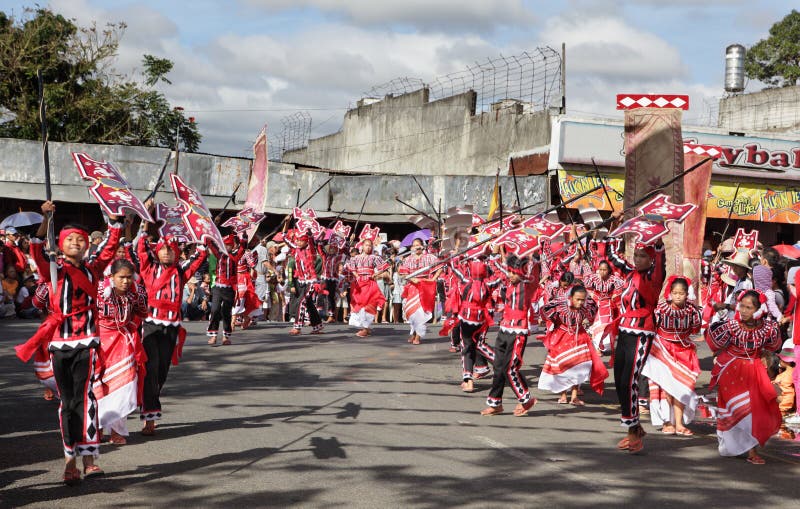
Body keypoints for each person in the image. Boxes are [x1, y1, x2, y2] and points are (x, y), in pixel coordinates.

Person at [15, 200, 122, 485]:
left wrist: (114, 220)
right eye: (70, 239)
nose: (75, 242)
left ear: (87, 245)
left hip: (86, 343)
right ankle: (69, 461)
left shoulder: (94, 268)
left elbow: (111, 245)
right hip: (59, 345)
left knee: (85, 398)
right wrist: (47, 219)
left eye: (80, 239)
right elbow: (36, 246)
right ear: (61, 244)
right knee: (67, 403)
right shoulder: (52, 268)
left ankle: (90, 460)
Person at [137, 210, 207, 435]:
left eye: (171, 249)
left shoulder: (181, 271)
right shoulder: (149, 268)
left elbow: (199, 257)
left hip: (172, 327)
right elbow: (141, 246)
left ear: (177, 253)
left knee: (162, 372)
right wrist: (146, 222)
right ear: (157, 252)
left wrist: (204, 231)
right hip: (150, 325)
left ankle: (150, 406)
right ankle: (150, 416)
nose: (167, 252)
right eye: (163, 249)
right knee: (151, 368)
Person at [707, 290, 782, 464]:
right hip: (732, 371)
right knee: (736, 410)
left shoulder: (768, 328)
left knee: (754, 410)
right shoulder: (730, 326)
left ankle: (751, 450)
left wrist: (763, 354)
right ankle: (739, 447)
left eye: (749, 307)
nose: (744, 310)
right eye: (742, 306)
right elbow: (713, 342)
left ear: (758, 309)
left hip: (754, 371)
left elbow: (774, 345)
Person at [606, 239, 665, 453]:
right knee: (619, 381)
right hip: (623, 330)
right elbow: (611, 258)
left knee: (629, 381)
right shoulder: (630, 273)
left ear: (650, 260)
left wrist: (658, 245)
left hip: (642, 332)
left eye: (642, 256)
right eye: (636, 255)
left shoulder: (653, 277)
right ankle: (635, 427)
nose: (637, 259)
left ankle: (633, 433)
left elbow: (660, 266)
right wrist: (614, 228)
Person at [94, 259, 148, 445]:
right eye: (121, 278)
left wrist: (138, 297)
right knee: (99, 385)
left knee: (124, 385)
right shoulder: (99, 291)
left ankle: (117, 431)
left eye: (129, 278)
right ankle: (97, 427)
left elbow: (143, 313)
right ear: (111, 276)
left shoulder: (136, 291)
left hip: (123, 342)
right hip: (99, 341)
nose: (125, 281)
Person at [642, 276, 703, 436]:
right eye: (675, 293)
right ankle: (667, 422)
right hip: (662, 349)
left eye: (681, 293)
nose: (677, 296)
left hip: (683, 350)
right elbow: (653, 326)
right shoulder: (661, 309)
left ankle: (679, 423)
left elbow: (695, 329)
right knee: (666, 387)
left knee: (682, 386)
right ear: (670, 293)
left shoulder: (693, 311)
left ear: (686, 294)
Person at [480, 255, 537, 417]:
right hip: (504, 329)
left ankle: (526, 399)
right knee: (498, 367)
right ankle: (495, 403)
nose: (510, 275)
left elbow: (535, 271)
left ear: (522, 272)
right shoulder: (507, 282)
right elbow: (495, 266)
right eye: (510, 272)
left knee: (510, 368)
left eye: (514, 273)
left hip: (518, 333)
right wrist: (496, 250)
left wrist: (535, 256)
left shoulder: (528, 286)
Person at [539, 285, 606, 406]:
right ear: (570, 297)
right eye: (577, 299)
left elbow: (592, 317)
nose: (580, 302)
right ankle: (563, 395)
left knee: (578, 368)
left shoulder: (587, 306)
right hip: (561, 338)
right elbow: (545, 313)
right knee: (562, 367)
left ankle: (574, 396)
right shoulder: (558, 305)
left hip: (579, 338)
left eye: (582, 299)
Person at [397, 238, 440, 345]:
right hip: (412, 287)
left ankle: (418, 336)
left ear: (422, 246)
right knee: (411, 312)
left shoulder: (430, 257)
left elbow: (440, 267)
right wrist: (412, 279)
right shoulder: (408, 259)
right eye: (414, 245)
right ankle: (413, 332)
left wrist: (432, 279)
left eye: (418, 245)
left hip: (425, 286)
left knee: (421, 312)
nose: (416, 247)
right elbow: (402, 273)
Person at [345, 237, 389, 337]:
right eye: (366, 245)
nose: (368, 247)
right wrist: (357, 276)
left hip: (370, 283)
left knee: (369, 304)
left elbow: (384, 267)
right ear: (362, 246)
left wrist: (376, 275)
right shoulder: (355, 258)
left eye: (370, 245)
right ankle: (366, 327)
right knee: (360, 304)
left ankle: (365, 328)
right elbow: (351, 268)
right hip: (359, 284)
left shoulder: (374, 257)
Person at [284, 229, 325, 335]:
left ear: (306, 241)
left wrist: (310, 236)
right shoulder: (296, 250)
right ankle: (317, 326)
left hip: (312, 281)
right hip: (302, 281)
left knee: (302, 301)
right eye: (296, 240)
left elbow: (311, 244)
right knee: (309, 304)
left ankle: (297, 327)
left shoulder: (310, 251)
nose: (297, 242)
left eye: (300, 240)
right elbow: (287, 240)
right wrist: (285, 232)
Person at [207, 234, 244, 344]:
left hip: (229, 289)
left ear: (232, 247)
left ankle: (226, 336)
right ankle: (213, 335)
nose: (226, 247)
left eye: (228, 245)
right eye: (224, 245)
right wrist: (208, 234)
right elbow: (210, 244)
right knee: (214, 310)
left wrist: (244, 237)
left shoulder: (235, 256)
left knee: (226, 312)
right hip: (218, 287)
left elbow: (242, 248)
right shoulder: (218, 255)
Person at [584, 260, 624, 352]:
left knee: (606, 325)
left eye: (604, 270)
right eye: (600, 269)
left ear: (609, 270)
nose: (602, 272)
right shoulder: (593, 278)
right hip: (595, 303)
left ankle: (600, 345)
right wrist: (592, 295)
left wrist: (614, 296)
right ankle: (596, 345)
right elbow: (587, 287)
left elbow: (620, 288)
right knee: (595, 324)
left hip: (608, 305)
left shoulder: (614, 279)